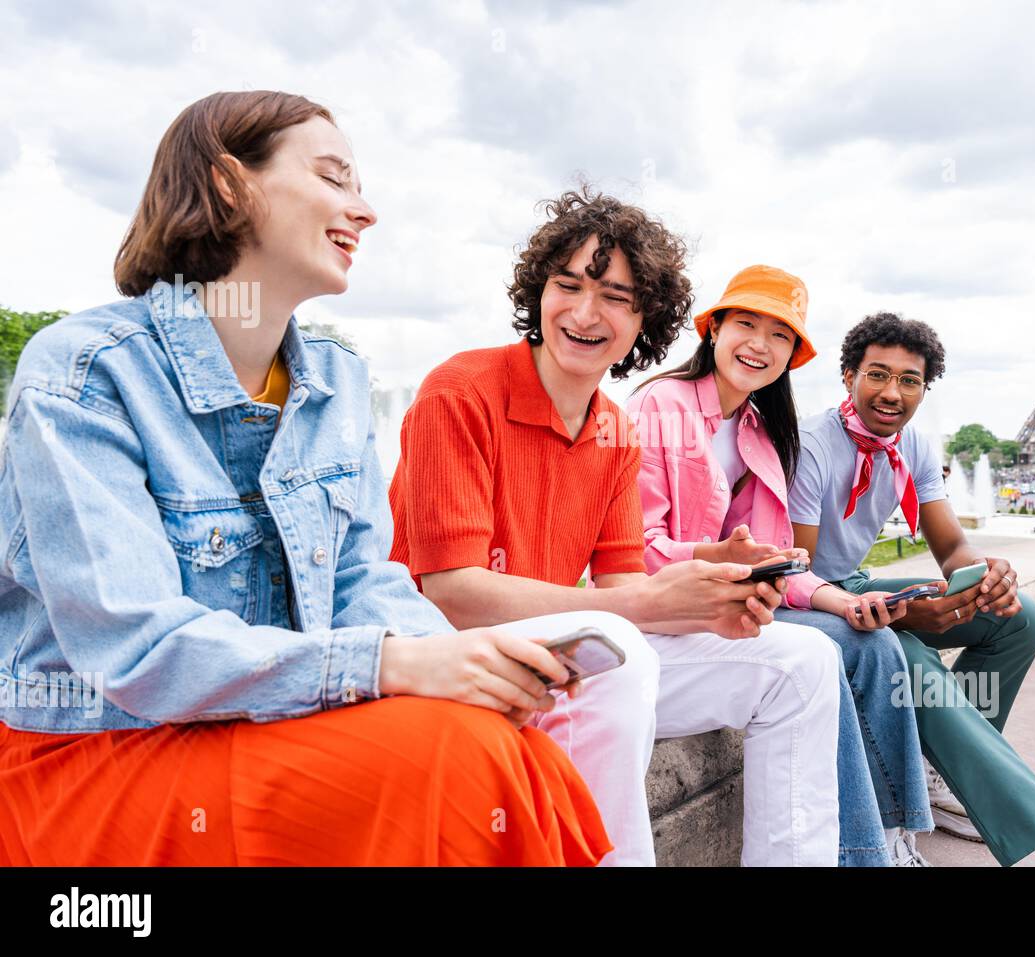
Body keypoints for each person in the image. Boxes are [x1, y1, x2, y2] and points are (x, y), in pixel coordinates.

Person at [0, 92, 612, 866]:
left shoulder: (335, 379)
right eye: (334, 177)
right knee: (463, 760)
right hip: (100, 750)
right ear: (229, 185)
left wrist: (472, 664)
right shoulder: (85, 373)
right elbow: (135, 648)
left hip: (259, 724)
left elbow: (368, 582)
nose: (365, 210)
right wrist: (390, 661)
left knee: (508, 741)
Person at [387, 190, 843, 867]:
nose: (584, 312)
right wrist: (648, 604)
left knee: (802, 660)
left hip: (553, 655)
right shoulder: (459, 392)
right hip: (450, 656)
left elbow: (624, 579)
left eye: (615, 297)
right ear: (538, 294)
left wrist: (711, 603)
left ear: (646, 320)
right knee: (619, 658)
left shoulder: (616, 430)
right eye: (566, 285)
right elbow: (451, 592)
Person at [787, 311, 1035, 867]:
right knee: (912, 656)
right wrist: (905, 617)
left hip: (851, 583)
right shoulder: (813, 445)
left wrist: (987, 573)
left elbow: (951, 549)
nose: (892, 392)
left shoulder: (915, 445)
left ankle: (934, 774)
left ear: (925, 389)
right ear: (847, 376)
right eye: (877, 374)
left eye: (909, 380)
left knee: (1022, 618)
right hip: (807, 597)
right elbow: (801, 569)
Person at [627, 265, 932, 867]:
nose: (760, 345)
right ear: (713, 329)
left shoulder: (762, 433)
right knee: (821, 660)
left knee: (873, 645)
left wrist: (840, 599)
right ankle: (859, 854)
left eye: (781, 336)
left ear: (793, 355)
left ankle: (897, 836)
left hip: (736, 607)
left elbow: (779, 562)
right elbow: (635, 550)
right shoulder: (659, 405)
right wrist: (719, 560)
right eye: (746, 324)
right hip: (670, 614)